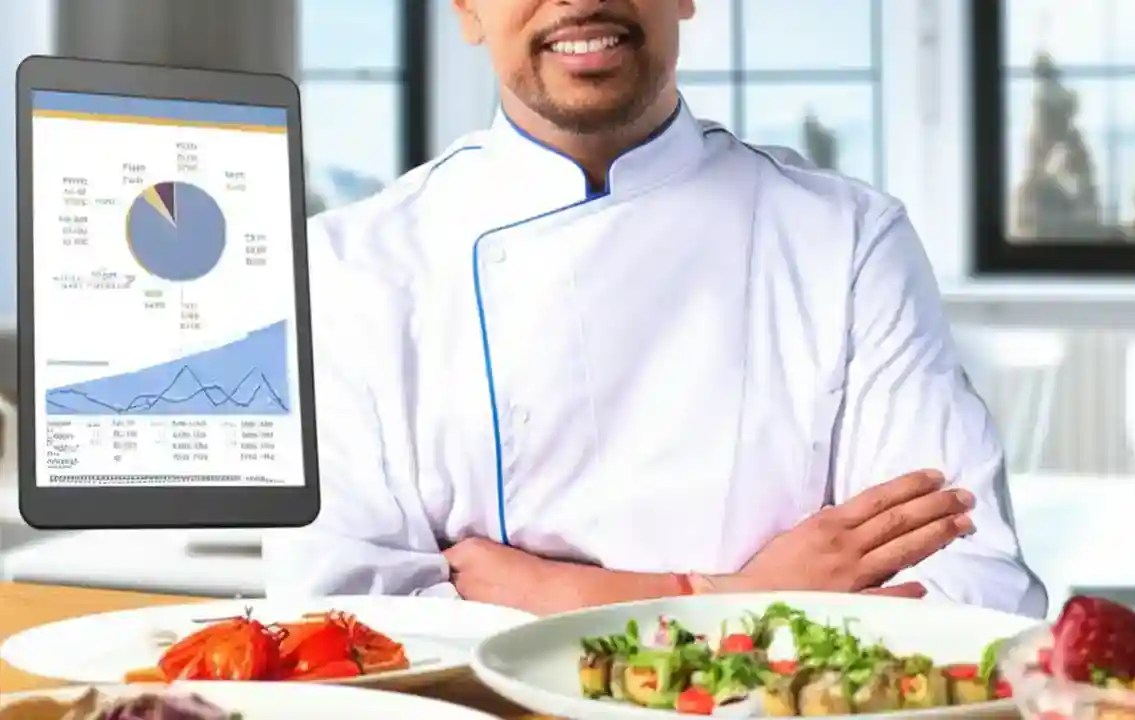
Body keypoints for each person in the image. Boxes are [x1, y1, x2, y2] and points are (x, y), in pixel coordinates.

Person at [262, 0, 1047, 619]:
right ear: (466, 8)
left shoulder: (846, 239)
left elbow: (974, 590)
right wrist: (738, 600)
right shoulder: (350, 265)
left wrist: (559, 595)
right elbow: (338, 616)